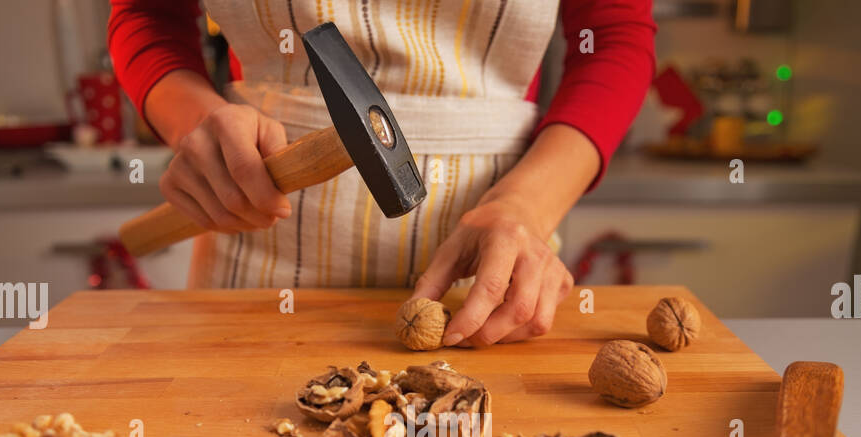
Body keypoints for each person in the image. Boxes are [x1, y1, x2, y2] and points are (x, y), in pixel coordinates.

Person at [108, 1, 655, 346]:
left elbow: (615, 36)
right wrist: (196, 123)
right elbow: (147, 13)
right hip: (255, 250)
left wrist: (527, 207)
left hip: (497, 261)